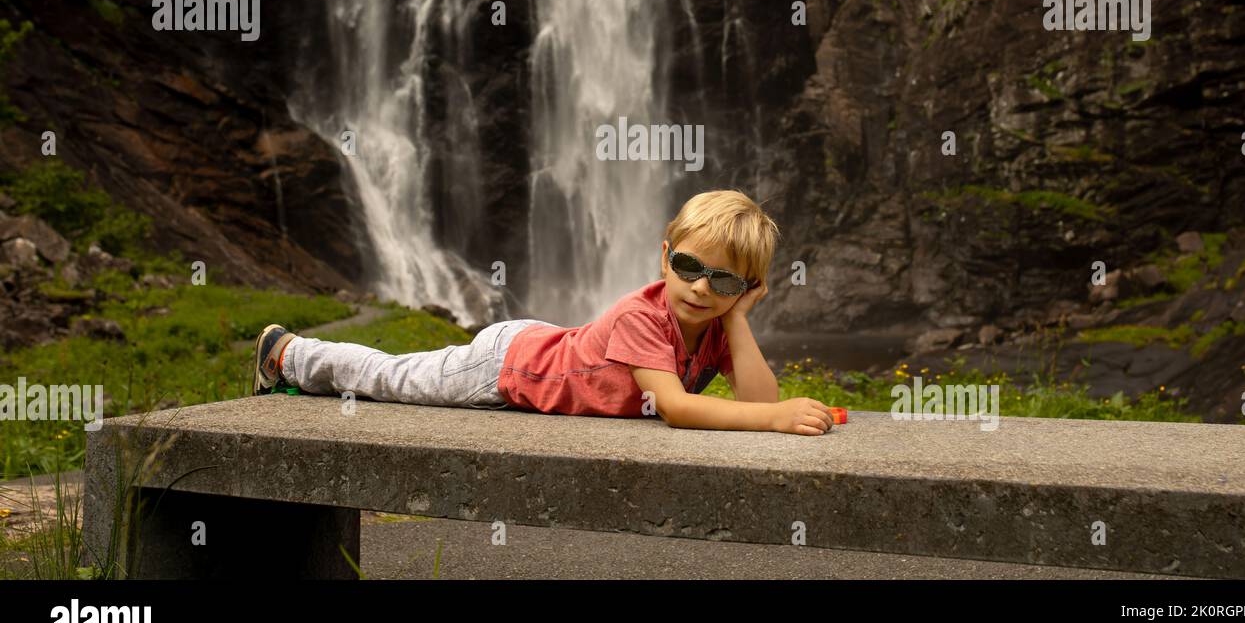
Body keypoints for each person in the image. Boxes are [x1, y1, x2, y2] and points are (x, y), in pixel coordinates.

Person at [253, 189, 835, 434]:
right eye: (689, 267)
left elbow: (761, 400)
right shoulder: (643, 315)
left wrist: (737, 321)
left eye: (725, 281)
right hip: (508, 364)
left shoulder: (714, 322)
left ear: (747, 287)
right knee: (393, 377)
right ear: (665, 258)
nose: (703, 289)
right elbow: (680, 409)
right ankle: (289, 354)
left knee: (397, 374)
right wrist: (777, 420)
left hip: (556, 346)